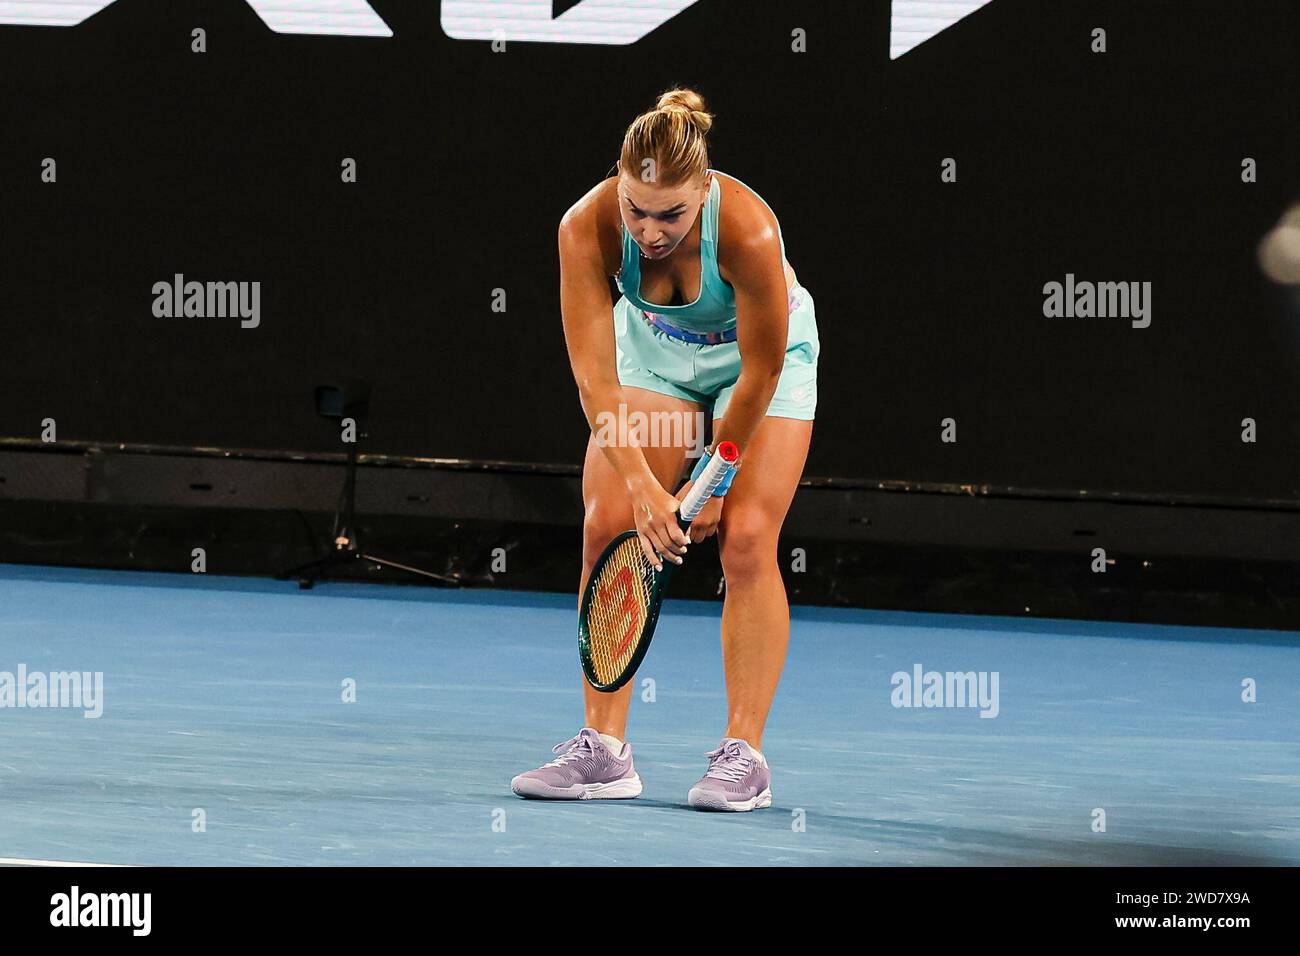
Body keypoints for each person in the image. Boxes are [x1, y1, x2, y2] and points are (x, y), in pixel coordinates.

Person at [511, 87, 819, 811]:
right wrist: (648, 491)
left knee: (744, 539)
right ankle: (604, 751)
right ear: (618, 185)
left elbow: (761, 372)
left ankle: (745, 756)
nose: (649, 232)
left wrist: (707, 485)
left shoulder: (749, 232)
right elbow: (594, 382)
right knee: (607, 523)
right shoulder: (585, 229)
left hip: (758, 370)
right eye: (636, 209)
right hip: (656, 360)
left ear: (704, 192)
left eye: (672, 215)